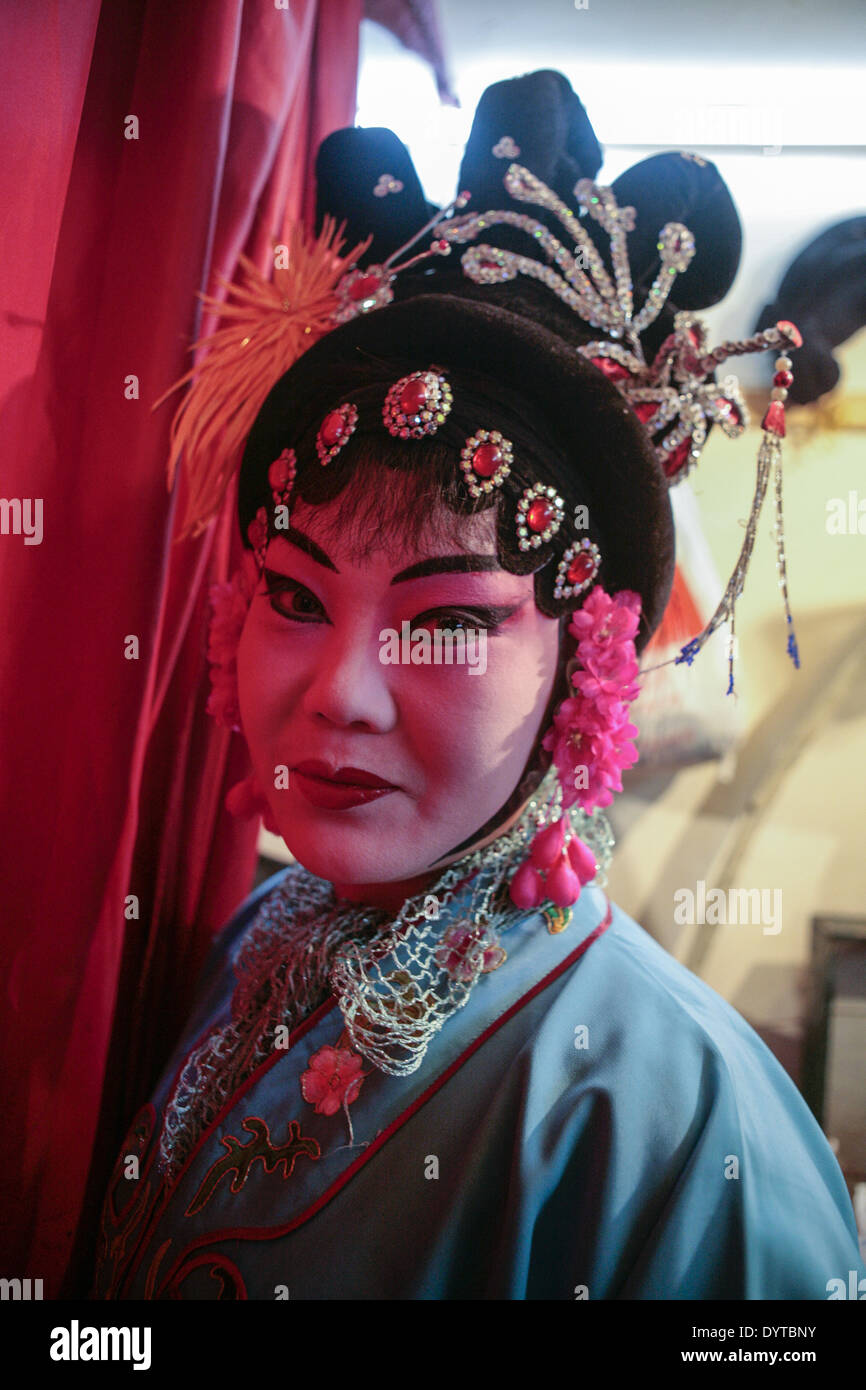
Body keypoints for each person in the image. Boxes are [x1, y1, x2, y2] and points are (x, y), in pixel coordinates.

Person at [93, 72, 864, 1301]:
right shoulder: (251, 946)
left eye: (447, 622)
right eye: (294, 598)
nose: (340, 693)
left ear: (585, 665)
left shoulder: (678, 1136)